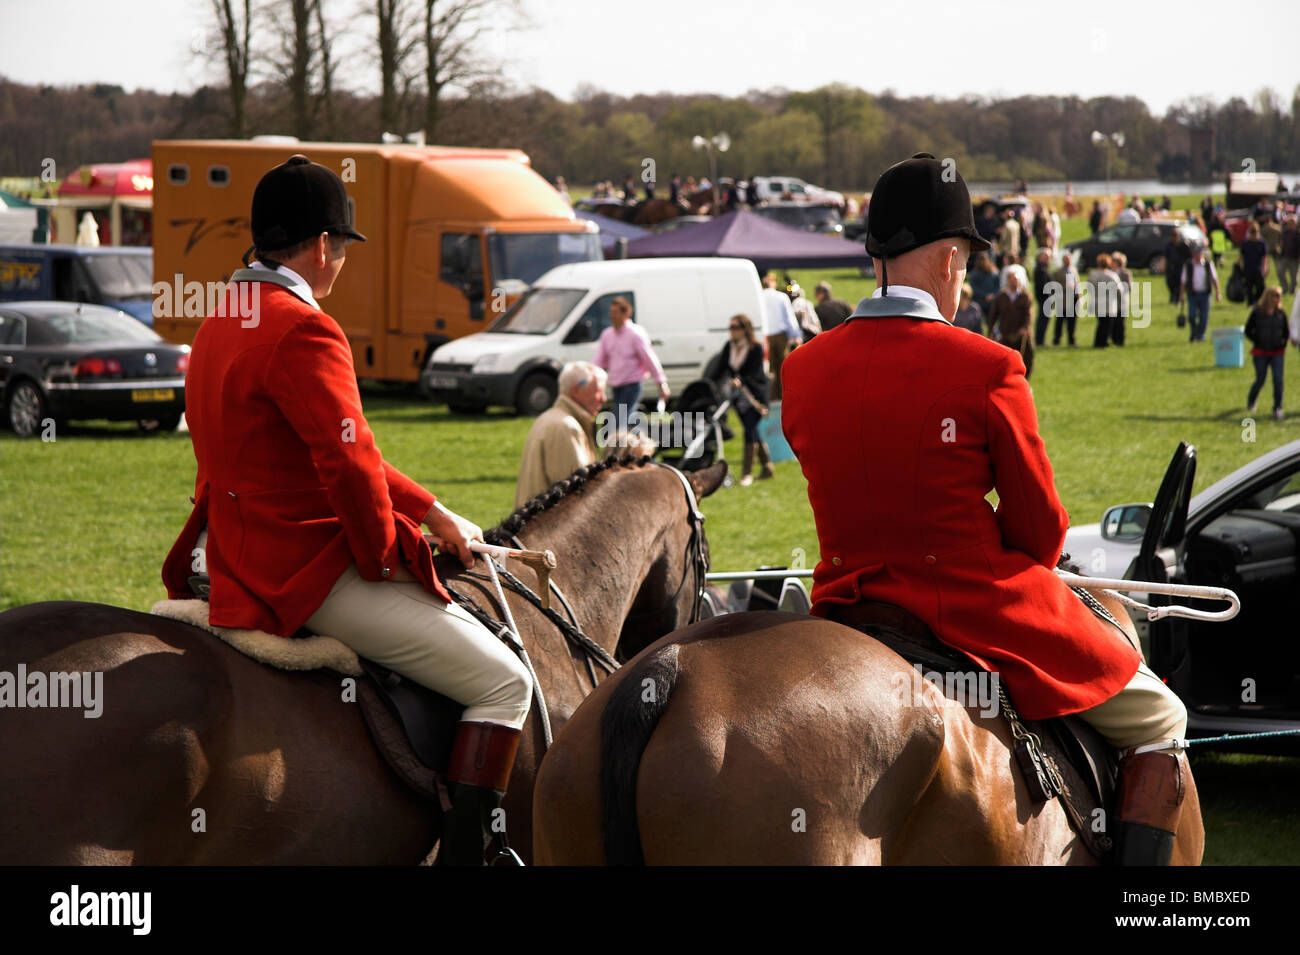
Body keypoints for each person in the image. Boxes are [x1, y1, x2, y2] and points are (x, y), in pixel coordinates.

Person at [781, 152, 1190, 866]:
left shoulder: (803, 367)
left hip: (846, 605)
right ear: (948, 260)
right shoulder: (988, 366)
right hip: (973, 605)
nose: (964, 272)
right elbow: (1040, 530)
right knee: (1162, 715)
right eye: (966, 258)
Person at [160, 155, 532, 866]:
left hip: (231, 554)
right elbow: (349, 465)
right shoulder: (305, 327)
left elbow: (335, 448)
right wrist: (393, 559)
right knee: (504, 680)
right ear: (325, 246)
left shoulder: (221, 317)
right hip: (300, 572)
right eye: (341, 250)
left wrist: (431, 509)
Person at [515, 361, 606, 506]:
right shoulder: (566, 427)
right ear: (576, 391)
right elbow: (576, 492)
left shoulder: (549, 418)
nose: (603, 398)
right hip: (548, 525)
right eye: (598, 391)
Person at [704, 314, 771, 485]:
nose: (732, 331)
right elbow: (721, 368)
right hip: (738, 396)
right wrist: (708, 383)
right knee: (752, 429)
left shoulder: (755, 348)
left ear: (745, 329)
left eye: (736, 327)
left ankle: (747, 473)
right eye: (731, 327)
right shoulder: (729, 346)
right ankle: (767, 467)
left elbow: (756, 373)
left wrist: (742, 380)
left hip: (754, 395)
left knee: (750, 428)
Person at [592, 296, 669, 433]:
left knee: (620, 422)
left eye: (616, 313)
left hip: (632, 384)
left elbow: (649, 359)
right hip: (616, 385)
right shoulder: (607, 335)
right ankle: (644, 440)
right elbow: (599, 361)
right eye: (611, 313)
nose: (612, 317)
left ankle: (620, 451)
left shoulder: (635, 334)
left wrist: (661, 383)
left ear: (626, 313)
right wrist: (590, 377)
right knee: (629, 419)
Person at [1244, 287, 1289, 420]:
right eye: (1276, 296)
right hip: (1260, 352)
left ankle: (1277, 407)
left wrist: (1282, 343)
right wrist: (1256, 341)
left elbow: (1285, 332)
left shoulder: (1281, 314)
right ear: (1269, 297)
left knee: (1278, 380)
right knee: (1260, 379)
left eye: (1280, 296)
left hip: (1277, 352)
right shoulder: (1257, 313)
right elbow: (1248, 329)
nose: (1279, 299)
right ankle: (1251, 400)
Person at [760, 271, 802, 400]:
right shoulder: (781, 296)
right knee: (783, 367)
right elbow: (789, 317)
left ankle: (772, 396)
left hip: (765, 336)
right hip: (780, 336)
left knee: (770, 368)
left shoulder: (759, 296)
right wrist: (796, 334)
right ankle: (784, 394)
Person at [989, 268, 1034, 377]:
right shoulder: (1001, 297)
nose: (1014, 281)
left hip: (1021, 335)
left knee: (1026, 357)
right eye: (1012, 279)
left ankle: (1024, 379)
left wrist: (1025, 328)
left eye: (1016, 279)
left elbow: (1029, 314)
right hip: (1005, 334)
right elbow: (993, 315)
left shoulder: (1025, 296)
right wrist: (991, 330)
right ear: (1008, 280)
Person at [1181, 244, 1221, 343]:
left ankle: (1200, 335)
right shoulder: (1188, 265)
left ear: (1202, 254)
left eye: (1199, 254)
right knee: (1192, 316)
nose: (1197, 256)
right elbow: (1183, 281)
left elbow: (1215, 279)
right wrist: (1181, 294)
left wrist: (1218, 293)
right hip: (1192, 294)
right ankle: (1193, 333)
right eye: (1195, 254)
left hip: (1205, 294)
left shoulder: (1208, 265)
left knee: (1204, 317)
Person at [1088, 253, 1123, 348]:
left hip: (1096, 303)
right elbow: (1119, 290)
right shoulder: (1112, 275)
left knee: (1101, 323)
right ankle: (1102, 342)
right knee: (1107, 325)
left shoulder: (1092, 275)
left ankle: (1098, 342)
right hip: (1109, 304)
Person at [1051, 252, 1080, 346]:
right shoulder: (1058, 272)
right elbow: (1054, 285)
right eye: (1065, 259)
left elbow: (1077, 283)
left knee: (1072, 322)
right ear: (1063, 261)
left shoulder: (1074, 270)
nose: (1067, 261)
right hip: (1062, 300)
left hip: (1073, 300)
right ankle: (1056, 340)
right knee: (1059, 322)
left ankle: (1072, 340)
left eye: (1069, 259)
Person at [1237, 223, 1270, 306]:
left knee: (1261, 287)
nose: (1254, 234)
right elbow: (1241, 255)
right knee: (1249, 287)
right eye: (1252, 232)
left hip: (1258, 268)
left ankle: (1255, 300)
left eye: (1256, 232)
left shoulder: (1261, 243)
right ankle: (1250, 303)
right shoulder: (1246, 243)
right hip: (1247, 268)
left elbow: (1265, 257)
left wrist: (1265, 267)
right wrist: (1237, 265)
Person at [969, 250, 1001, 321]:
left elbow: (998, 286)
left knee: (992, 322)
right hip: (979, 302)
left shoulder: (994, 273)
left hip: (992, 302)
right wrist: (985, 296)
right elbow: (973, 288)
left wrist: (993, 295)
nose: (983, 262)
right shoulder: (974, 274)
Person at [1163, 229, 1190, 307]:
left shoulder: (1183, 245)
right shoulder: (1168, 245)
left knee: (1179, 284)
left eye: (1176, 236)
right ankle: (1172, 295)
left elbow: (1188, 256)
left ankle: (1177, 299)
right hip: (1170, 268)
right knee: (1170, 283)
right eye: (1173, 236)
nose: (1175, 238)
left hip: (1180, 268)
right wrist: (1163, 266)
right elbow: (1165, 256)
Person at [1111, 251, 1132, 347]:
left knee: (1120, 322)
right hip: (1111, 302)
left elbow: (1129, 287)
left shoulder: (1125, 273)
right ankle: (1113, 339)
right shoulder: (1109, 273)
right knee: (1113, 322)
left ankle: (1121, 340)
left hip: (1122, 301)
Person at [1032, 248, 1053, 346]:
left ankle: (1041, 340)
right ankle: (1040, 340)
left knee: (1044, 319)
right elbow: (1042, 285)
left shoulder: (1043, 267)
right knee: (1043, 319)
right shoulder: (1040, 269)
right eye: (1047, 257)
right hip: (1044, 298)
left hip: (1045, 298)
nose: (1049, 259)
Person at [1279, 215, 1299, 296]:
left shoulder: (1298, 234)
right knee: (1280, 272)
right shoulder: (1284, 233)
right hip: (1285, 257)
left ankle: (1292, 290)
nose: (1290, 225)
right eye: (1289, 223)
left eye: (1292, 223)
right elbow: (1280, 243)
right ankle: (1285, 288)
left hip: (1294, 258)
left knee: (1294, 277)